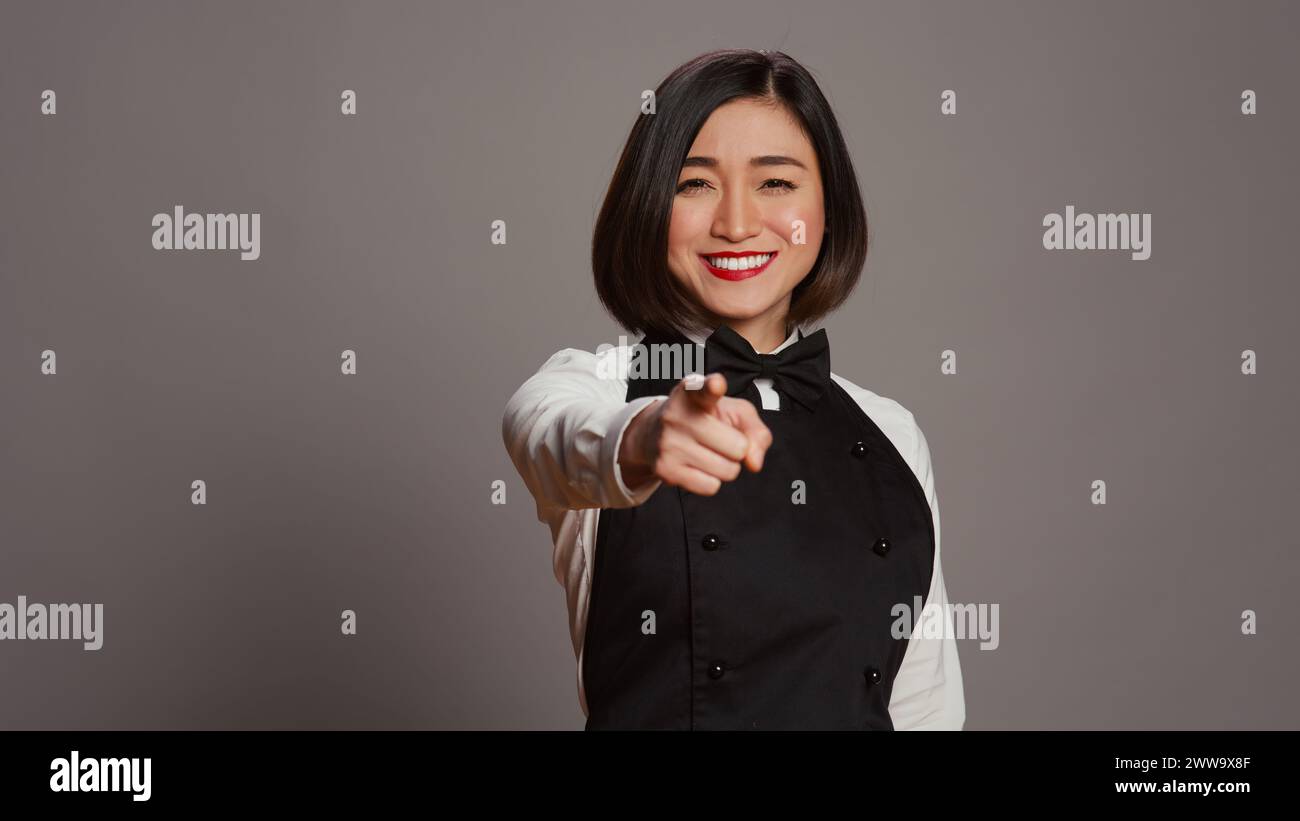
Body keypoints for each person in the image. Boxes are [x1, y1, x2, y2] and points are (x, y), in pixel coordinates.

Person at [502, 49, 964, 730]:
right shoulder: (593, 385)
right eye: (695, 184)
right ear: (648, 205)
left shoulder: (892, 431)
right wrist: (646, 436)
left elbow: (926, 709)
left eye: (775, 183)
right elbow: (543, 430)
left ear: (827, 207)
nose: (738, 223)